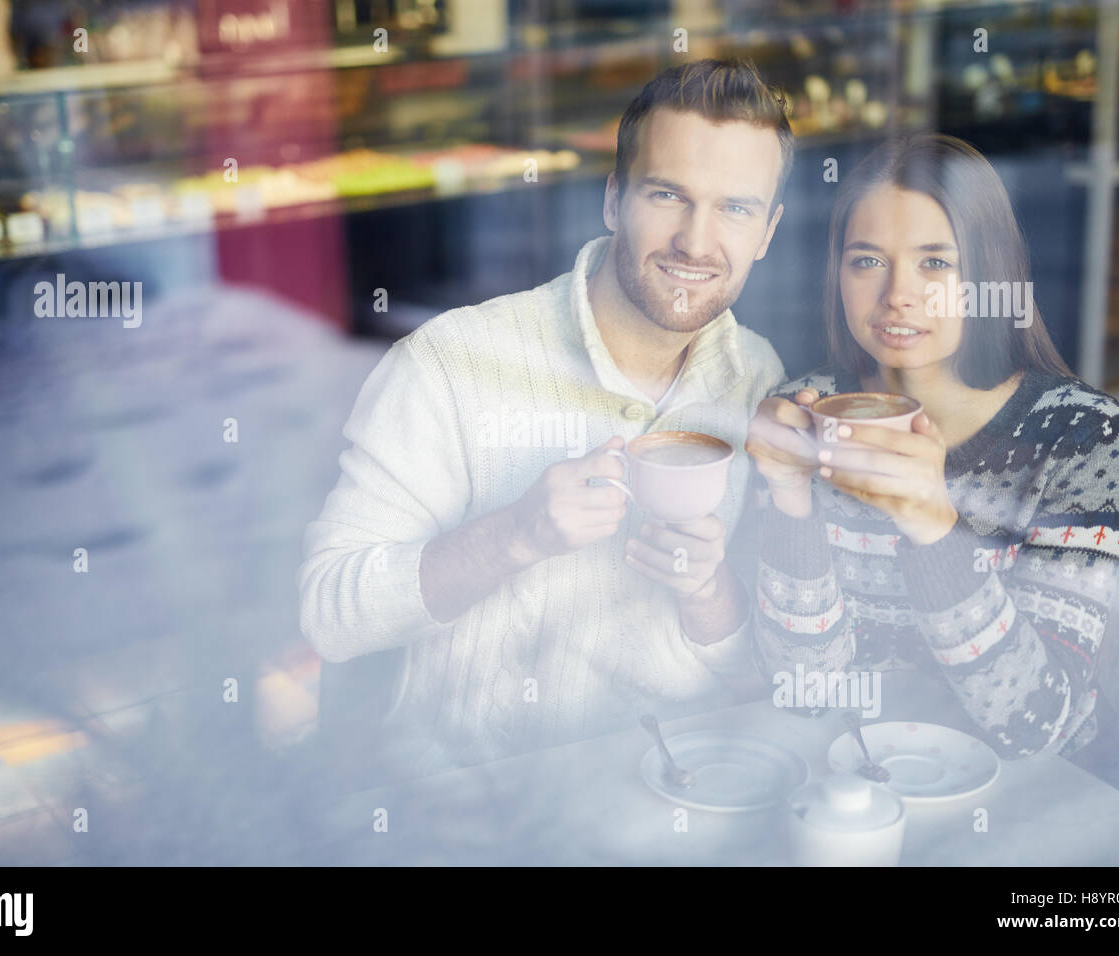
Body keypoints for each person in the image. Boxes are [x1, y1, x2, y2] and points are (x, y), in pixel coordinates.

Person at [298, 59, 791, 775]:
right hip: (475, 813)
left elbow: (755, 668)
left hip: (672, 799)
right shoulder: (447, 363)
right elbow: (329, 616)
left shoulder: (758, 377)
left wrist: (709, 590)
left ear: (769, 232)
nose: (695, 239)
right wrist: (514, 537)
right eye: (667, 194)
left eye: (735, 209)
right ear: (614, 199)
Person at [744, 133, 1119, 767]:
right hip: (851, 772)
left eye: (936, 262)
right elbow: (809, 693)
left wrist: (934, 528)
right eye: (867, 260)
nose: (899, 294)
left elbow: (1035, 726)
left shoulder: (1081, 435)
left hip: (1027, 802)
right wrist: (789, 497)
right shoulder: (806, 413)